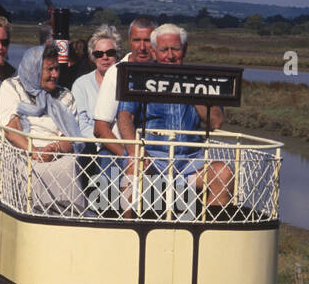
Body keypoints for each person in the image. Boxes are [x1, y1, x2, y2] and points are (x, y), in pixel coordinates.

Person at [116, 23, 233, 215]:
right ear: (154, 52)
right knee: (134, 166)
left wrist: (192, 89)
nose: (170, 55)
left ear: (184, 50)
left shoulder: (199, 81)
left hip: (191, 163)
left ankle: (210, 234)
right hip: (153, 159)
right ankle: (128, 231)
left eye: (175, 49)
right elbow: (124, 116)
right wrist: (135, 150)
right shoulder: (139, 79)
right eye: (164, 50)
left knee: (223, 172)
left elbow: (216, 122)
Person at [0, 44, 81, 212]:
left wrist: (53, 149)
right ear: (34, 69)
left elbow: (70, 138)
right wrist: (35, 152)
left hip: (54, 153)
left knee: (69, 165)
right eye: (49, 70)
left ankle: (67, 215)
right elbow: (12, 131)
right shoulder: (12, 87)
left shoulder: (65, 95)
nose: (55, 74)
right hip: (19, 150)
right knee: (28, 168)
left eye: (57, 69)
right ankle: (28, 213)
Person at [72, 26, 122, 212]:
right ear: (92, 57)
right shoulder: (82, 84)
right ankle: (98, 212)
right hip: (94, 146)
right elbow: (82, 122)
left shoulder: (126, 82)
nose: (105, 57)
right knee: (103, 159)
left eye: (110, 52)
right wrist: (104, 143)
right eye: (99, 53)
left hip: (121, 144)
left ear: (117, 54)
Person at [93, 16, 155, 159]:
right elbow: (100, 129)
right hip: (118, 152)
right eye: (137, 40)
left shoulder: (163, 73)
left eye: (147, 41)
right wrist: (128, 157)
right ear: (129, 42)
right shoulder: (115, 73)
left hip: (158, 154)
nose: (142, 47)